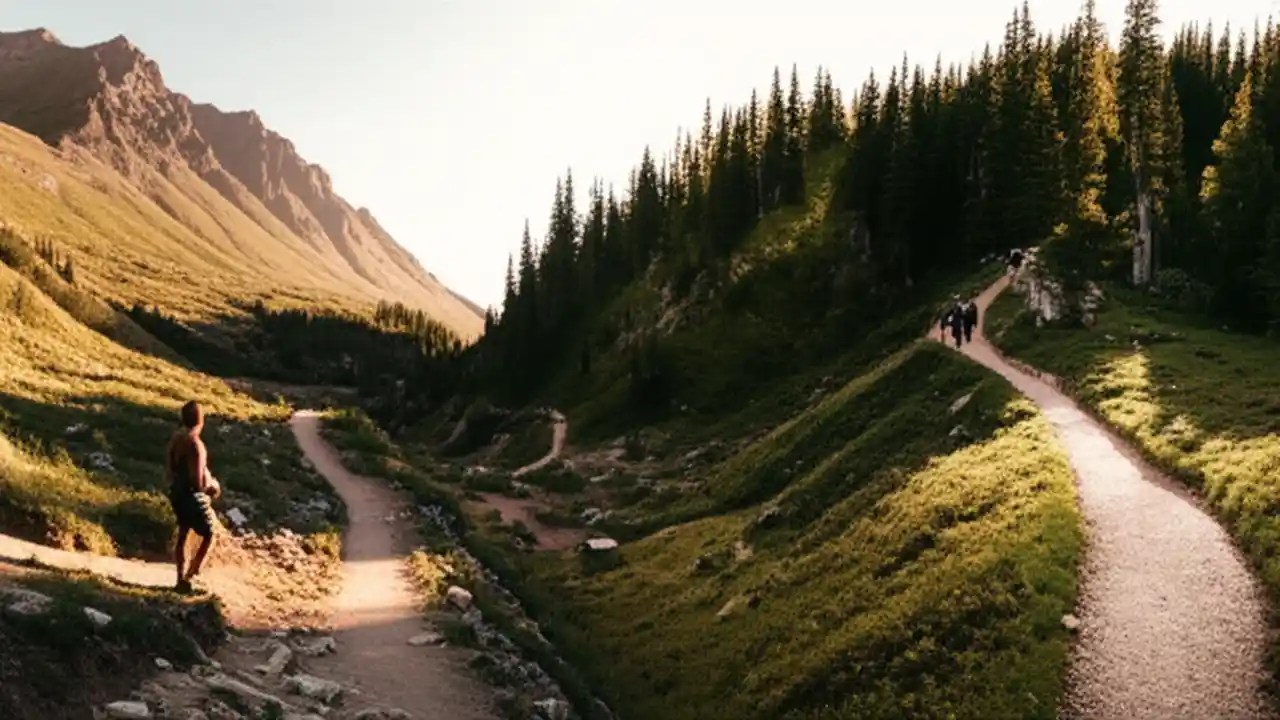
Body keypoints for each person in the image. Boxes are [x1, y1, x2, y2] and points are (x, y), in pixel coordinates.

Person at [166, 400, 218, 593]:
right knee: (209, 533)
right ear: (201, 420)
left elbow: (170, 469)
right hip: (191, 495)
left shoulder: (176, 440)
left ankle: (180, 578)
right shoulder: (195, 444)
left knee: (183, 534)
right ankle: (191, 575)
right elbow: (198, 481)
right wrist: (212, 486)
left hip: (176, 493)